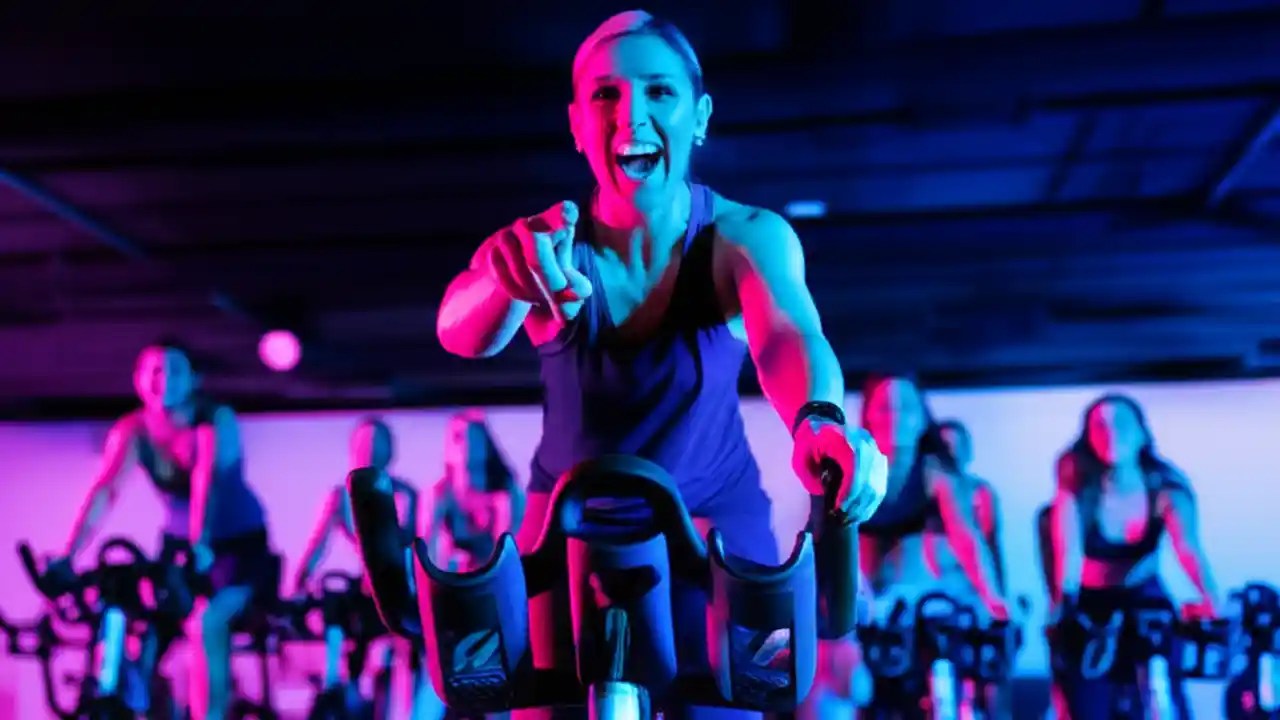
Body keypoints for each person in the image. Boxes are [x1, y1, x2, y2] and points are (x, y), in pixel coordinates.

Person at [433, 10, 887, 720]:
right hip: (565, 531)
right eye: (605, 95)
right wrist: (502, 280)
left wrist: (820, 421)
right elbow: (459, 330)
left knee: (743, 703)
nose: (631, 116)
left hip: (714, 528)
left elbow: (787, 334)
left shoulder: (745, 236)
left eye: (659, 91)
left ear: (699, 117)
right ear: (577, 125)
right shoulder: (548, 249)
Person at [53, 341, 273, 720]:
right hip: (179, 542)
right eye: (154, 371)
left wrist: (201, 542)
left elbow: (206, 483)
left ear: (193, 380)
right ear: (138, 379)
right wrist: (68, 554)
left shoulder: (214, 419)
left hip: (237, 543)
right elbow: (105, 489)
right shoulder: (133, 429)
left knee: (208, 624)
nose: (163, 379)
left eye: (174, 370)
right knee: (144, 630)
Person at [1048, 393, 1219, 719]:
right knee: (1087, 703)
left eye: (1122, 424)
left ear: (1142, 432)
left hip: (1146, 600)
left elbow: (1189, 550)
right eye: (1100, 426)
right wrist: (1061, 608)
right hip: (1092, 607)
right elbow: (1067, 553)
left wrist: (1211, 600)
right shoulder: (1076, 490)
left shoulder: (1166, 488)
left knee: (1166, 696)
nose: (1111, 434)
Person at [291, 416, 438, 720]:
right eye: (363, 444)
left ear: (389, 451)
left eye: (376, 444)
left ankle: (406, 709)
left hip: (396, 587)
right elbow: (317, 544)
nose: (369, 451)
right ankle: (334, 683)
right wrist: (300, 581)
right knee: (333, 598)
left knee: (407, 636)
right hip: (361, 589)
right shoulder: (339, 497)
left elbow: (416, 546)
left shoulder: (405, 495)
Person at [427, 410, 523, 572]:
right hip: (450, 579)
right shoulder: (438, 495)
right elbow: (428, 552)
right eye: (457, 437)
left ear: (485, 445)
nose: (465, 445)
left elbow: (510, 556)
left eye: (473, 437)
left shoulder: (506, 493)